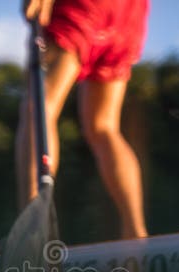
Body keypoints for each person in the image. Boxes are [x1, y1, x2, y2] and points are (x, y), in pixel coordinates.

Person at [18, 0, 150, 239]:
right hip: (129, 13)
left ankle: (31, 234)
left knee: (39, 106)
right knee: (104, 127)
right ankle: (135, 235)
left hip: (86, 8)